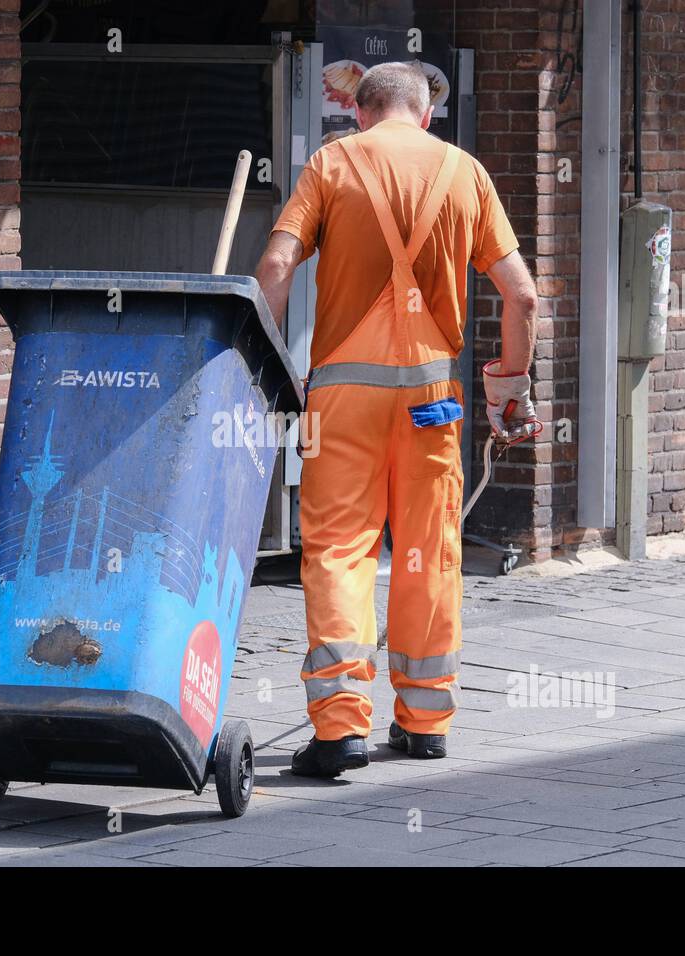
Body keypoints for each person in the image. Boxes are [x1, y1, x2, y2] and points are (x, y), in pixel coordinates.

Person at [253, 61, 540, 778]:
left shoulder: (332, 163)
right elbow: (523, 297)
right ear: (426, 114)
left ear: (359, 112)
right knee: (427, 549)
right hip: (431, 400)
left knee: (341, 550)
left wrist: (257, 373)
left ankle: (341, 730)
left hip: (344, 399)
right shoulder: (464, 173)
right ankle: (425, 718)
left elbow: (277, 265)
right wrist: (508, 388)